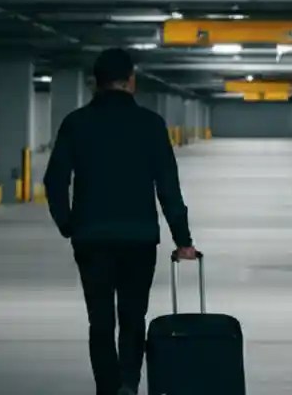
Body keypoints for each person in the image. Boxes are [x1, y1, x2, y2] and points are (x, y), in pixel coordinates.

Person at [44, 48, 198, 395]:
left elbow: (54, 180)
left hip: (91, 238)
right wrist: (183, 240)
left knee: (100, 321)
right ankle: (129, 383)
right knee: (132, 318)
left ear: (95, 83)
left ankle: (107, 388)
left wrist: (67, 223)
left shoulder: (76, 122)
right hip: (139, 238)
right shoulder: (151, 124)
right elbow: (168, 187)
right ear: (131, 81)